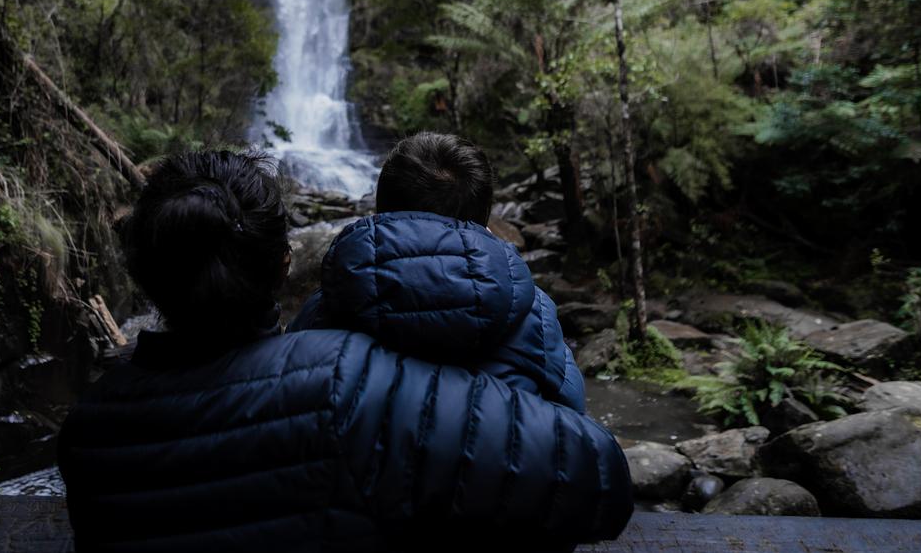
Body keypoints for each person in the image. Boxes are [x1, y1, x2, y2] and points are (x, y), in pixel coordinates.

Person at [57, 150, 632, 552]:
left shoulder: (87, 429)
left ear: (142, 276)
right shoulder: (340, 380)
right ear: (284, 265)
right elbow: (597, 476)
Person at [289, 132, 586, 410]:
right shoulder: (533, 310)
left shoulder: (327, 304)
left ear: (380, 213)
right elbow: (572, 409)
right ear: (484, 222)